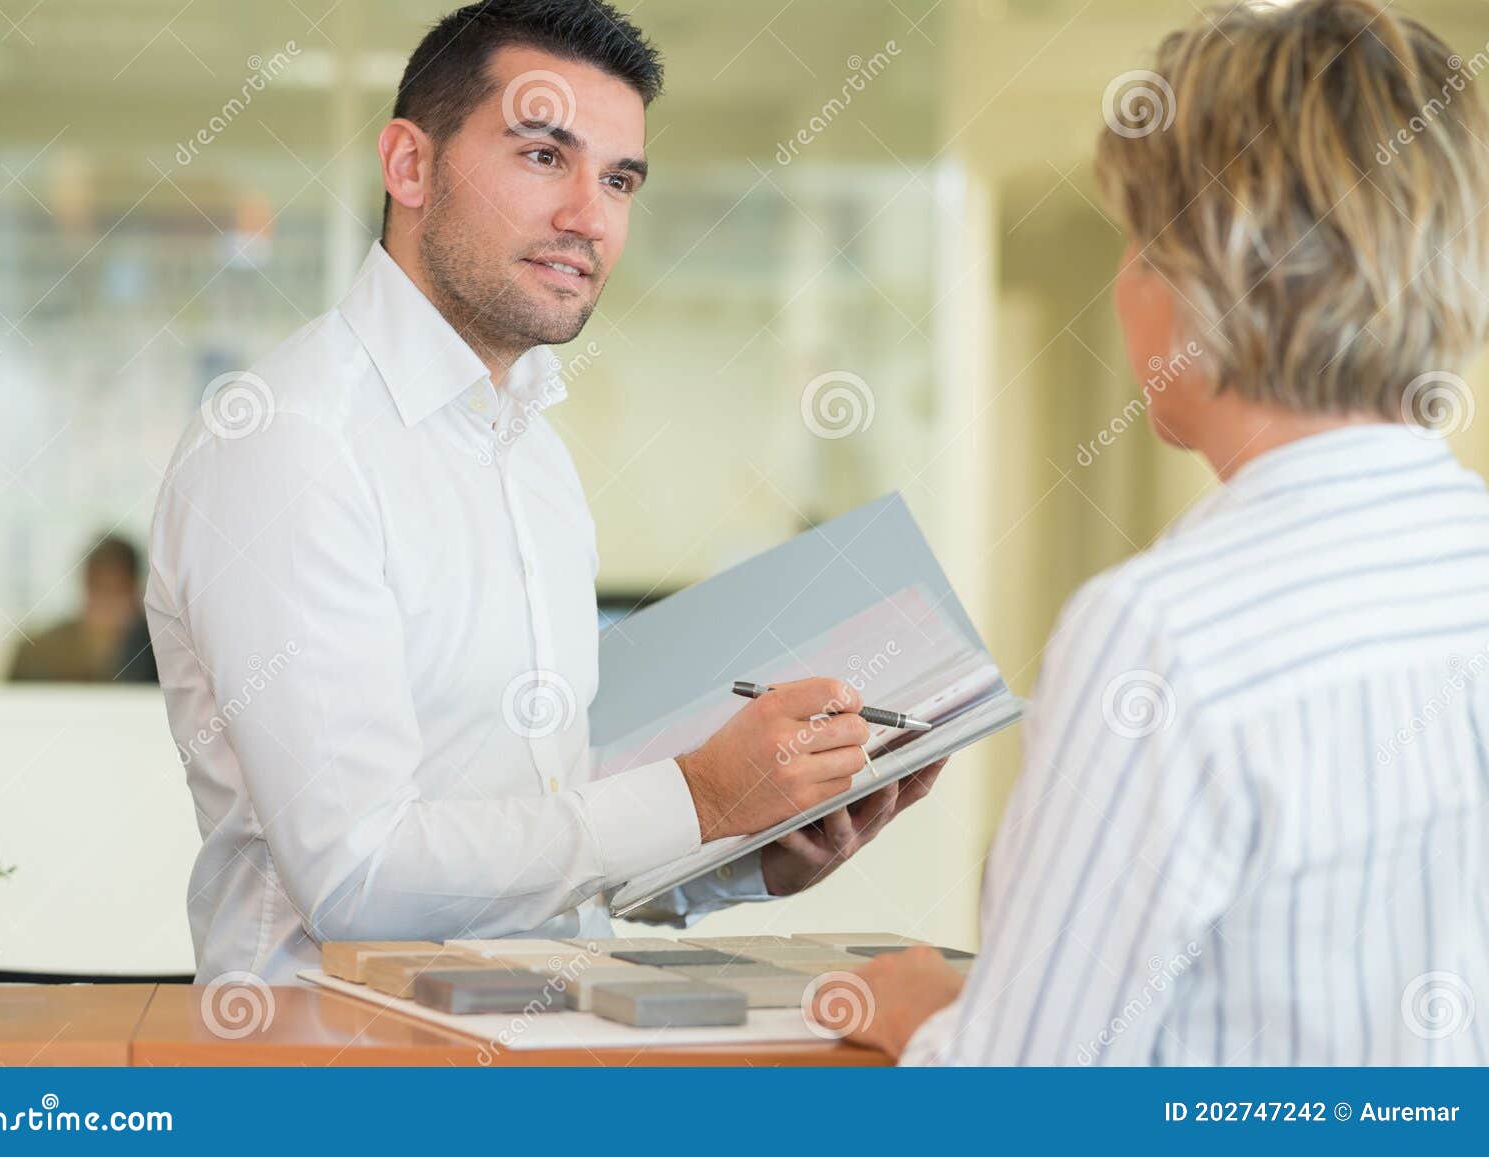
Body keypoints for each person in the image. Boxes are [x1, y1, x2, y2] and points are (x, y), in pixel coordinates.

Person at [146, 0, 943, 984]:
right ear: (409, 165)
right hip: (343, 1074)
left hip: (554, 1046)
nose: (589, 216)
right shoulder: (287, 440)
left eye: (617, 179)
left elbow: (550, 824)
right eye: (541, 156)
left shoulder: (533, 453)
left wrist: (738, 852)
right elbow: (355, 876)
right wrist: (697, 794)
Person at [841, 0, 1489, 1065]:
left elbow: (1026, 1098)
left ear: (1209, 271)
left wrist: (923, 1011)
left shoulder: (1160, 631)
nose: (1121, 283)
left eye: (1137, 241)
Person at [9, 534, 158, 683]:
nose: (106, 604)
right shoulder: (37, 653)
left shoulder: (157, 652)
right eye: (98, 588)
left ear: (135, 592)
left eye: (116, 591)